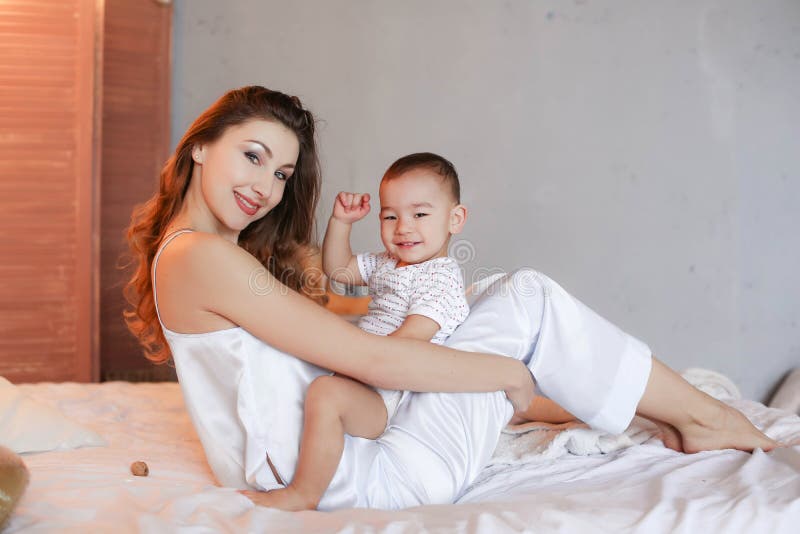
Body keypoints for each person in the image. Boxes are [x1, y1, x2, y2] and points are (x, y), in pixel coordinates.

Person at [124, 85, 778, 512]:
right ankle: (701, 418)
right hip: (363, 478)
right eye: (254, 156)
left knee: (481, 296)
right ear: (201, 145)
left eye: (282, 173)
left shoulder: (198, 256)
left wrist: (447, 323)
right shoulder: (198, 257)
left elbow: (339, 327)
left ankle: (629, 407)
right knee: (528, 296)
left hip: (351, 455)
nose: (266, 187)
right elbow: (374, 361)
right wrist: (506, 371)